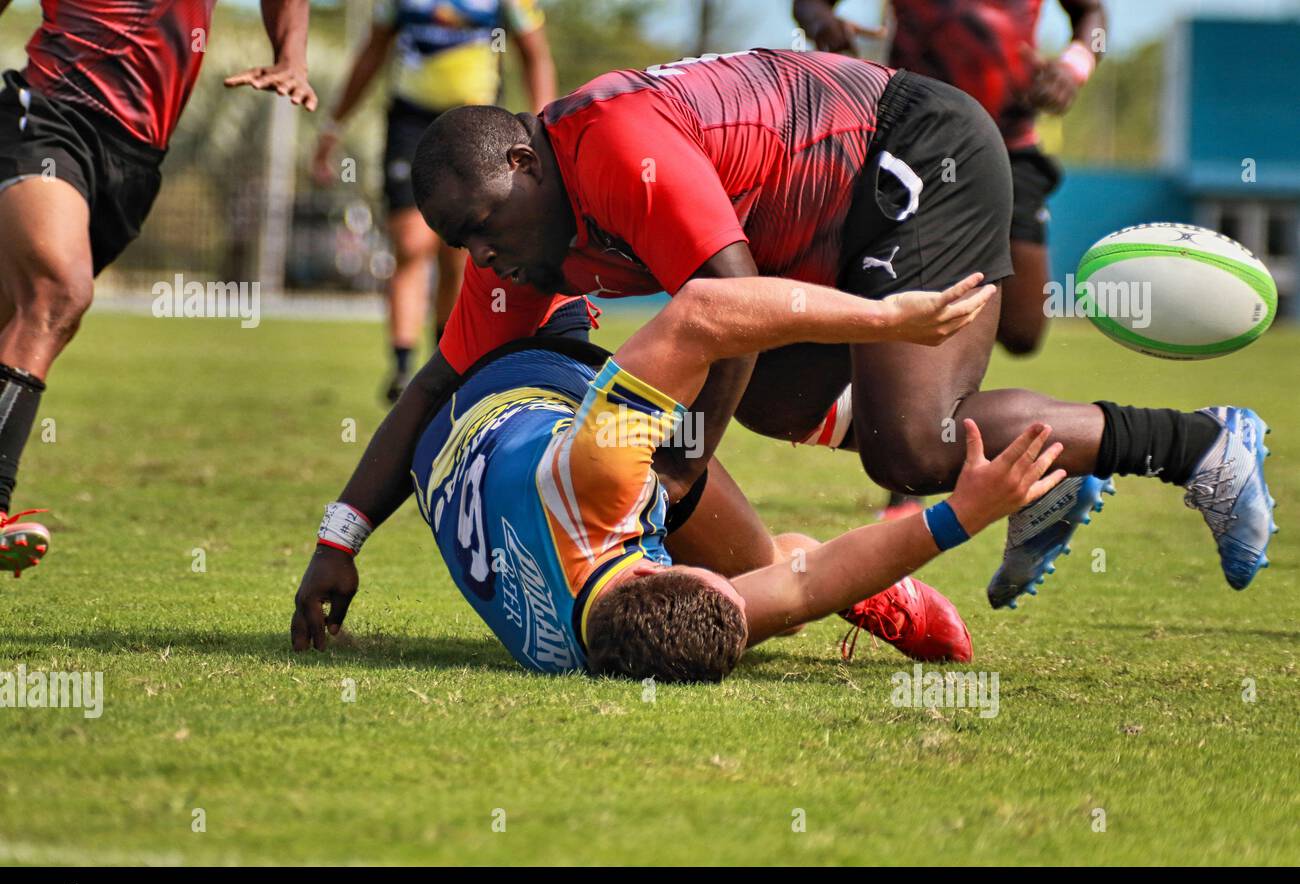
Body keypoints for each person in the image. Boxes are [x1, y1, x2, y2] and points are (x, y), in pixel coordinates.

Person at [397, 49, 1276, 611]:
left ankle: (1199, 443)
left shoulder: (615, 149)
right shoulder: (518, 236)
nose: (480, 254)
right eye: (460, 240)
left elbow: (724, 305)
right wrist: (340, 539)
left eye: (482, 225)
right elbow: (439, 383)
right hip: (834, 207)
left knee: (914, 453)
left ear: (522, 165)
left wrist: (679, 468)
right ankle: (1040, 465)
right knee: (773, 397)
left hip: (915, 151)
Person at [292, 272, 1066, 680]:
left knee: (681, 329)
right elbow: (796, 588)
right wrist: (958, 517)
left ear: (656, 566)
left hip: (532, 370)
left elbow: (699, 312)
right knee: (779, 588)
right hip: (482, 464)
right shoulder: (591, 647)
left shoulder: (603, 480)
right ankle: (871, 563)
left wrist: (888, 320)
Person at [0, 0, 317, 578]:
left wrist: (290, 57)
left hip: (136, 160)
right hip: (46, 115)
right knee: (57, 295)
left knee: (15, 323)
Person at [792, 0, 1107, 519]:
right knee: (924, 307)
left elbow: (1092, 15)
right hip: (919, 145)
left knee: (1024, 330)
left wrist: (1074, 66)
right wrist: (822, 25)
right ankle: (910, 480)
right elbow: (810, 4)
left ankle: (1049, 454)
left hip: (1012, 143)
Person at [311, 0, 557, 403]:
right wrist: (333, 126)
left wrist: (543, 126)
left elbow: (535, 55)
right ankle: (403, 367)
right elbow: (373, 52)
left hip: (476, 127)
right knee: (410, 244)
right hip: (411, 125)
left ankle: (450, 362)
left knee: (458, 254)